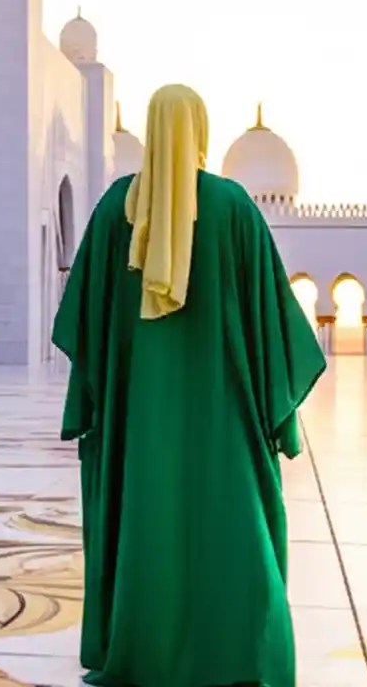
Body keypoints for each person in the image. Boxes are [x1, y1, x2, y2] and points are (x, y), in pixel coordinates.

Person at [52, 84, 326, 687]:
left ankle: (142, 649)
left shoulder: (115, 208)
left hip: (137, 422)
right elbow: (273, 321)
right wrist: (276, 415)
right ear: (200, 130)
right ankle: (239, 655)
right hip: (223, 420)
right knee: (236, 528)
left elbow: (84, 322)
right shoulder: (232, 206)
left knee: (146, 524)